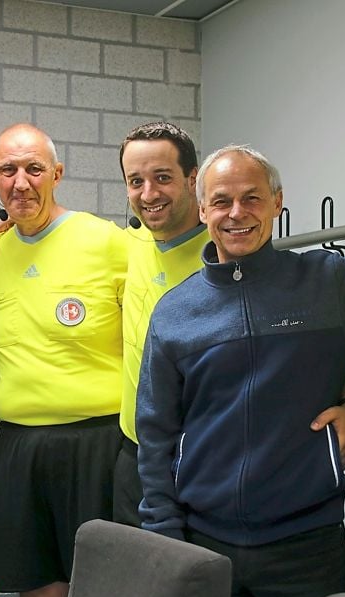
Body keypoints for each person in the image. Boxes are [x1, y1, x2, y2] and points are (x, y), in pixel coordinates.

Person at [136, 144, 345, 597]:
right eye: (221, 201)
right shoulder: (175, 310)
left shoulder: (331, 284)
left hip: (307, 544)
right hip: (206, 548)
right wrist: (167, 537)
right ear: (203, 211)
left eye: (252, 198)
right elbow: (155, 434)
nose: (236, 213)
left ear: (277, 203)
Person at [0, 123, 128, 597]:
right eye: (8, 170)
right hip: (21, 448)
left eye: (34, 168)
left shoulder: (107, 240)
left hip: (100, 443)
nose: (21, 182)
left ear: (57, 174)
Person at [112, 121, 211, 525]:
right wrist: (8, 229)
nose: (148, 193)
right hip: (135, 457)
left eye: (162, 177)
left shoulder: (225, 255)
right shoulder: (128, 244)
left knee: (202, 582)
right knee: (137, 583)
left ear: (192, 179)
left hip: (204, 460)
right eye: (136, 181)